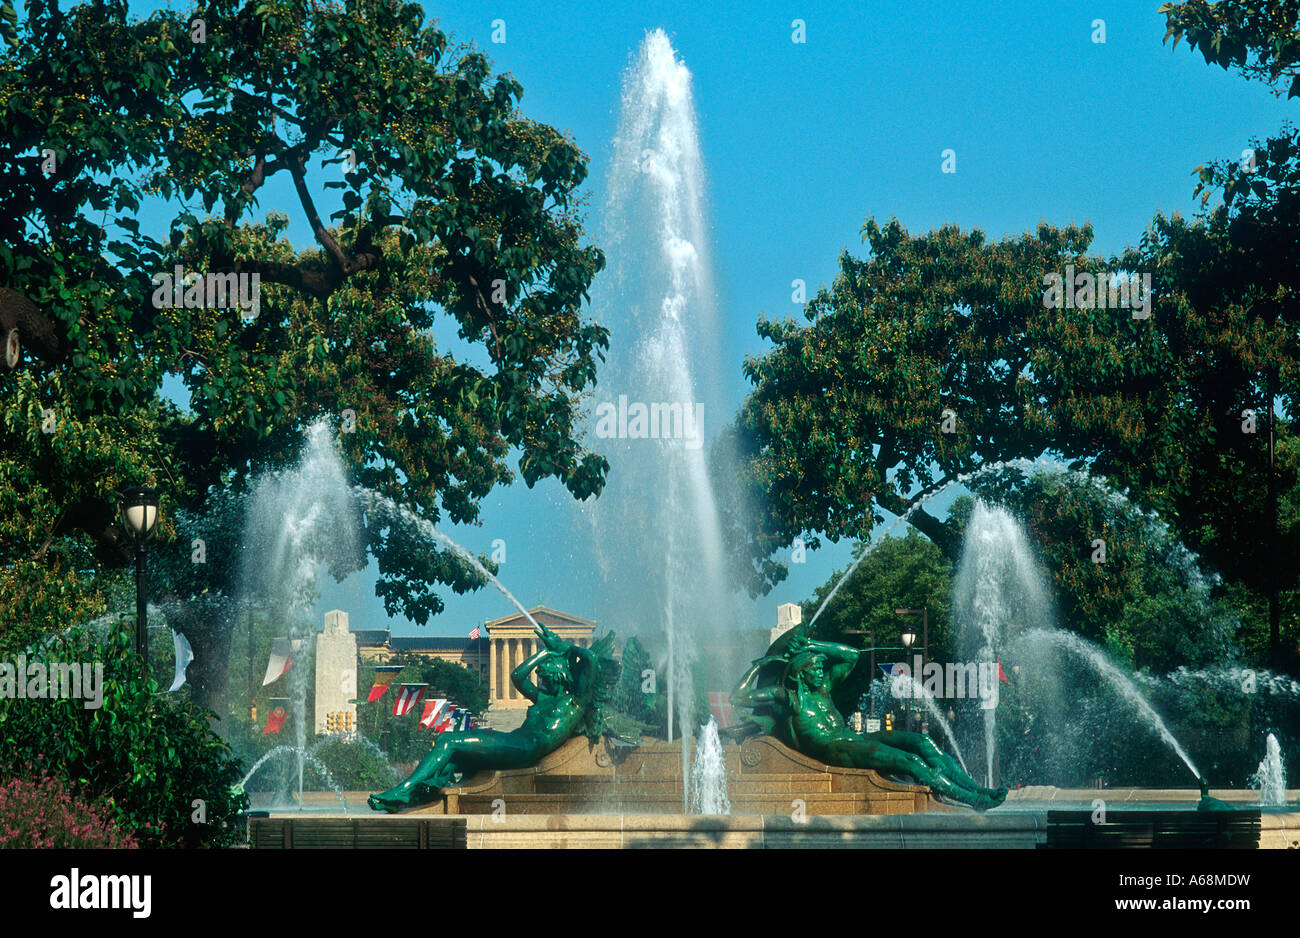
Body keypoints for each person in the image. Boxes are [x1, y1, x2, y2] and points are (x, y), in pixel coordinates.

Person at [730, 632, 1008, 810]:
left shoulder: (823, 690)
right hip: (834, 748)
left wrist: (814, 644)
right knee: (911, 762)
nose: (820, 670)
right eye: (814, 667)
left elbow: (850, 656)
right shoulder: (788, 697)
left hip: (852, 737)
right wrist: (759, 666)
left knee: (921, 741)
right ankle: (972, 800)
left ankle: (976, 788)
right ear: (801, 674)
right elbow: (738, 698)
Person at [368, 623, 609, 812]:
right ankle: (419, 793)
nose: (541, 677)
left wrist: (564, 648)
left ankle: (404, 790)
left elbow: (590, 659)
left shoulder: (575, 700)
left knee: (449, 742)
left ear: (561, 672)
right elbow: (517, 676)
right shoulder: (543, 699)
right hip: (513, 741)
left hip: (524, 749)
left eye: (545, 673)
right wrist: (544, 653)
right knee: (455, 754)